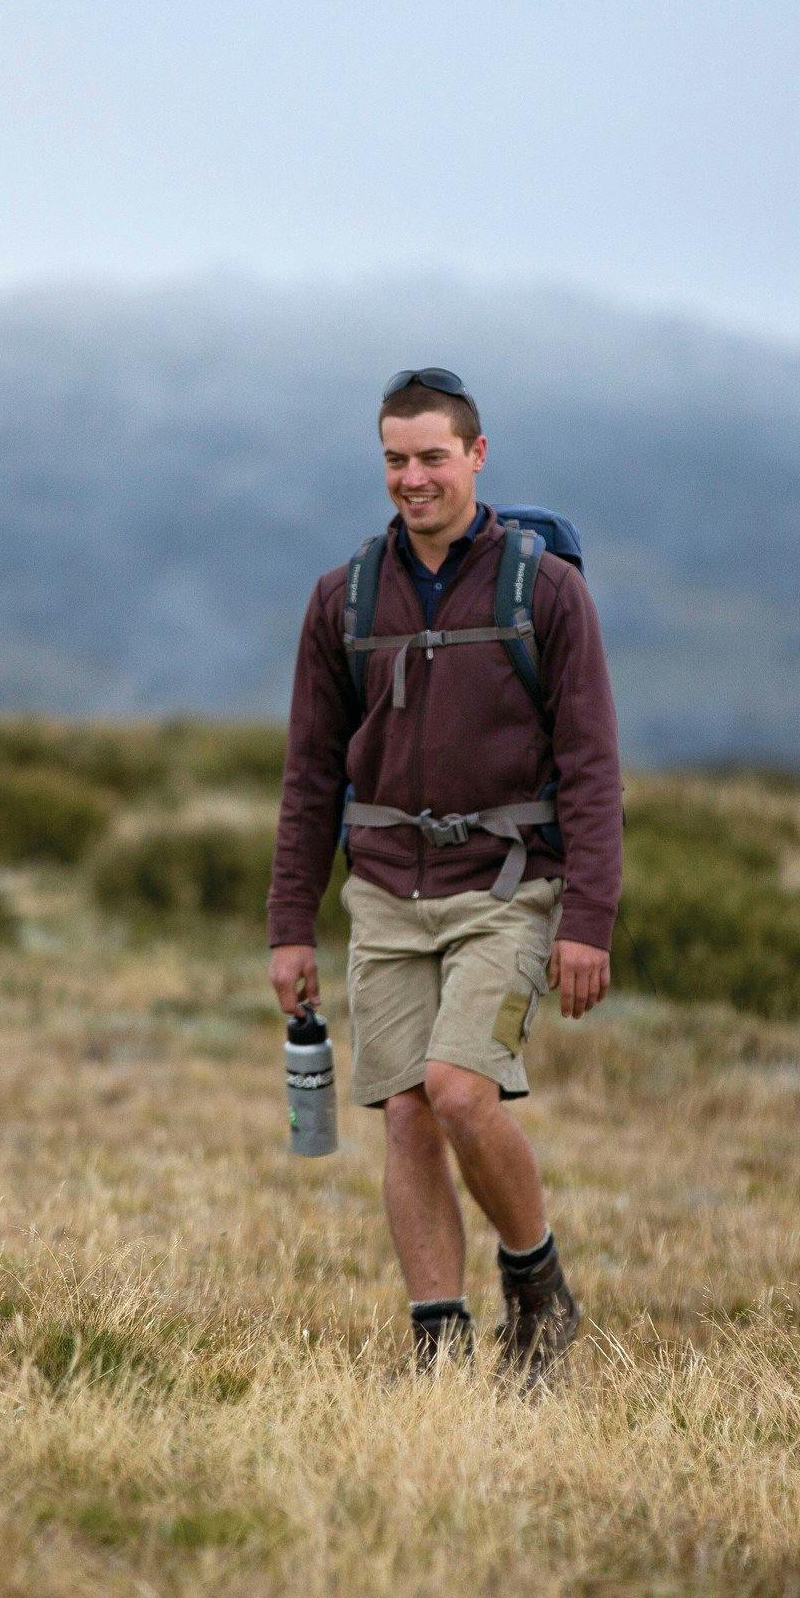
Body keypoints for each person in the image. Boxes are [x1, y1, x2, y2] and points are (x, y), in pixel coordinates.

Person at [266, 367, 623, 1380]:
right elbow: (308, 776)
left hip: (507, 886)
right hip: (382, 890)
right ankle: (437, 1345)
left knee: (461, 1090)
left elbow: (593, 766)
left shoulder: (544, 590)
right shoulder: (342, 597)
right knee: (408, 1113)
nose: (411, 477)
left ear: (476, 454)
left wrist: (586, 917)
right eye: (394, 458)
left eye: (431, 456)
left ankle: (536, 1284)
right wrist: (289, 922)